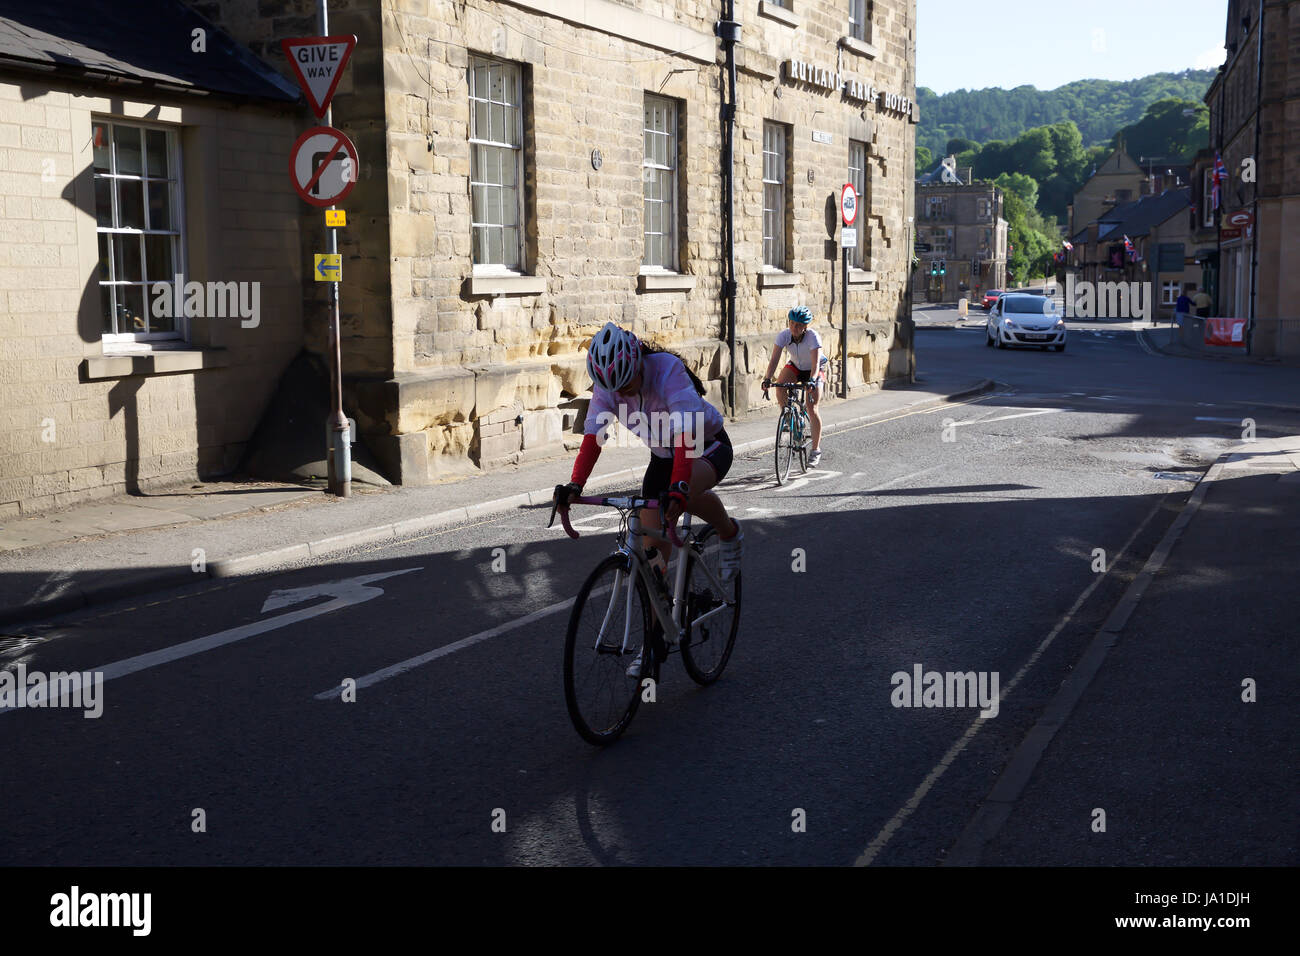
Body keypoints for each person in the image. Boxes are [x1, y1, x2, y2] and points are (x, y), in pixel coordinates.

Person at [554, 323, 742, 676]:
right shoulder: (609, 387)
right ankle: (655, 646)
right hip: (663, 456)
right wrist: (575, 485)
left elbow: (686, 434)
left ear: (638, 362)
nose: (622, 393)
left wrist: (680, 488)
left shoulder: (667, 371)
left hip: (706, 445)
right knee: (654, 559)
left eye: (627, 385)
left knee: (683, 497)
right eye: (614, 389)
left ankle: (729, 532)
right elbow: (593, 439)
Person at [760, 305, 827, 467]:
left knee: (812, 408)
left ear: (805, 326)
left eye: (798, 325)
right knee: (780, 385)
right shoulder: (784, 335)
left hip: (814, 369)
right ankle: (788, 415)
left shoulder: (813, 337)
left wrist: (811, 381)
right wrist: (767, 378)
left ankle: (815, 450)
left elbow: (815, 363)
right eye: (791, 323)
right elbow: (774, 359)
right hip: (796, 366)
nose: (794, 328)